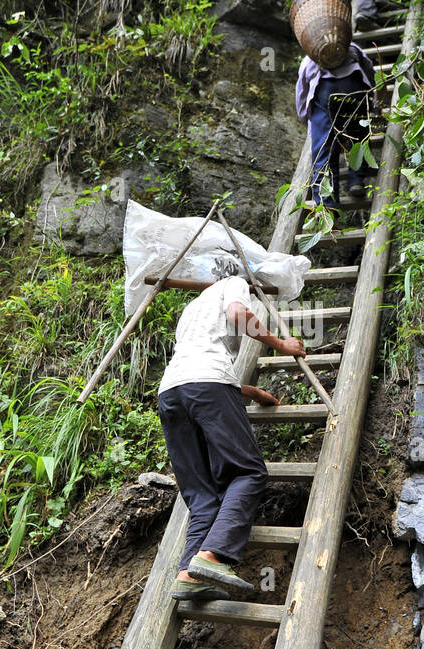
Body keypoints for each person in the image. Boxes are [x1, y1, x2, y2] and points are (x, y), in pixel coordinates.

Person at [157, 257, 306, 597]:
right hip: (209, 384)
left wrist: (250, 392)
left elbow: (193, 370)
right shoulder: (233, 284)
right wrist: (282, 345)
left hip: (170, 392)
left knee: (203, 495)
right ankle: (211, 557)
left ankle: (187, 576)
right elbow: (239, 315)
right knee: (248, 473)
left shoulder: (193, 308)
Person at [295, 35, 377, 212]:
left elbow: (302, 93)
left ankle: (328, 202)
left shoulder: (310, 57)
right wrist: (372, 103)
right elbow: (369, 72)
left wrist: (307, 119)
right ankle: (356, 180)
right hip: (355, 90)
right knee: (359, 135)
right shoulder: (352, 47)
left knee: (325, 149)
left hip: (326, 94)